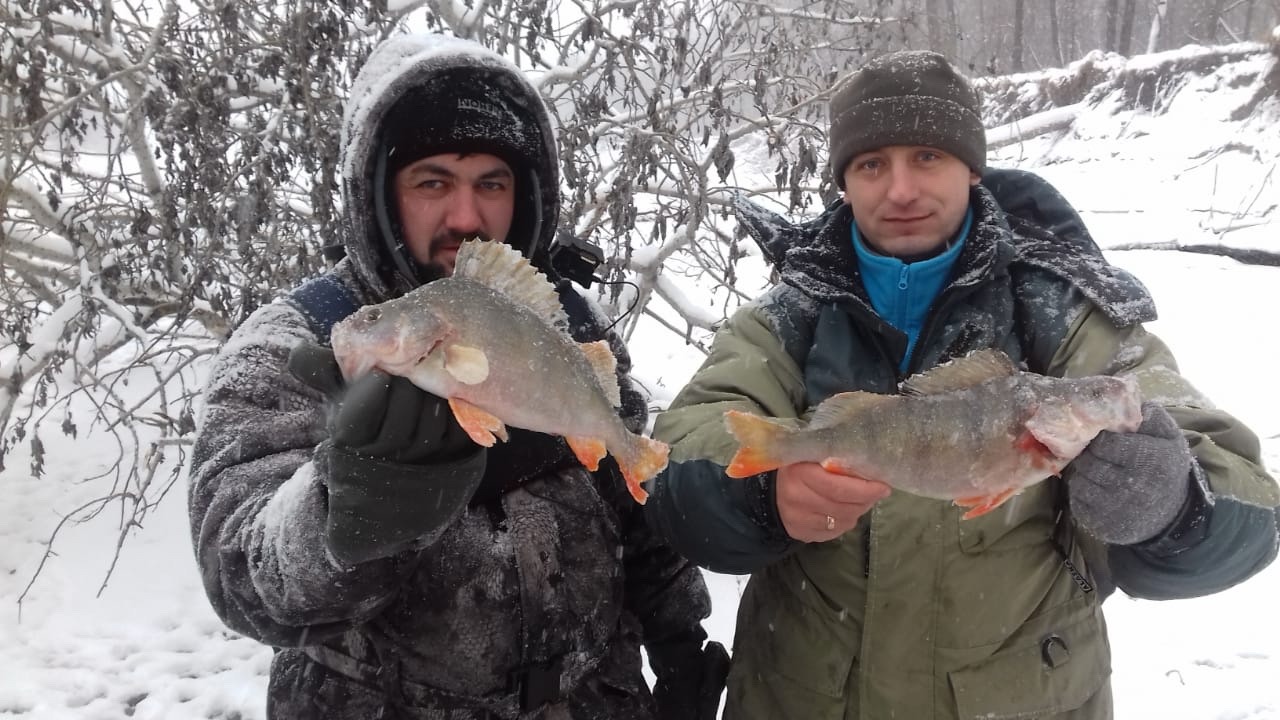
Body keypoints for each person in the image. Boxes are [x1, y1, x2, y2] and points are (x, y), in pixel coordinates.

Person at [644, 50, 1280, 720]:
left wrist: (1174, 503)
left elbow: (1249, 507)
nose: (901, 190)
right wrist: (759, 497)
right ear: (844, 182)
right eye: (871, 164)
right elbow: (675, 461)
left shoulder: (1061, 312)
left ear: (970, 166)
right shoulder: (791, 314)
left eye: (927, 156)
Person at [188, 33, 727, 720]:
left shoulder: (565, 324)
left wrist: (680, 640)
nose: (467, 217)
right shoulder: (297, 345)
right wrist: (350, 510)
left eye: (491, 183)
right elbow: (241, 573)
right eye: (433, 181)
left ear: (524, 195)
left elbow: (636, 502)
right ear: (380, 194)